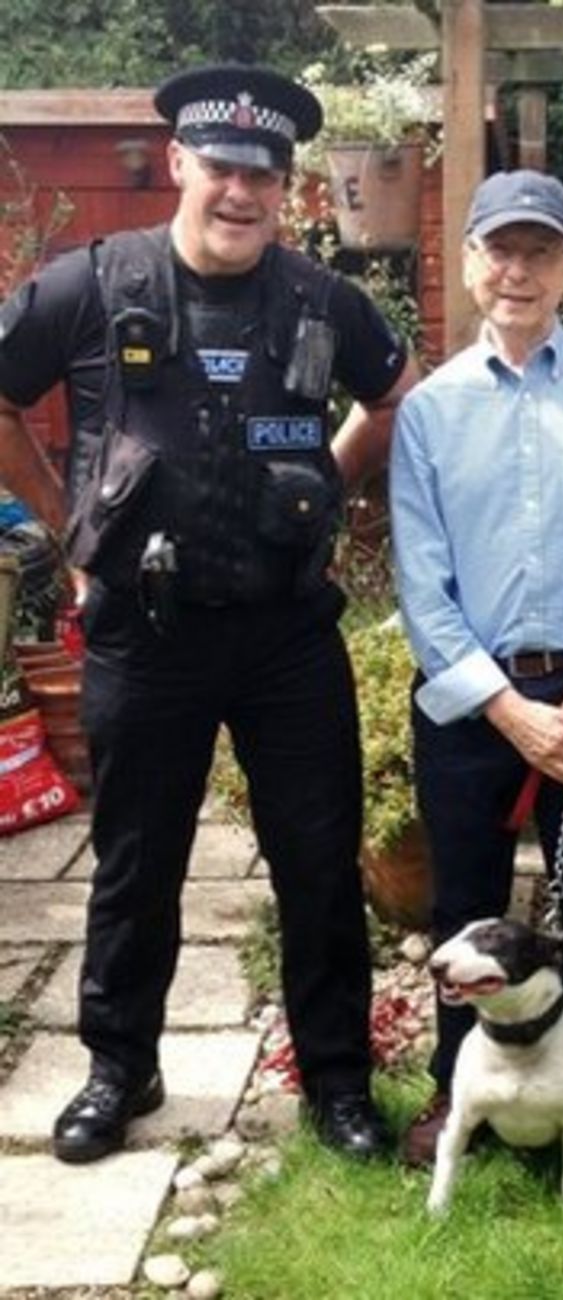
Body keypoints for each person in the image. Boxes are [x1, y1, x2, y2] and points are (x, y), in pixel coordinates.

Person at [0, 63, 419, 1163]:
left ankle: (337, 1082)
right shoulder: (91, 284)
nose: (241, 192)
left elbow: (394, 391)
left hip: (287, 634)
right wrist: (65, 527)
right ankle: (119, 1069)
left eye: (264, 175)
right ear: (180, 162)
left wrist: (330, 468)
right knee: (137, 863)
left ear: (288, 190)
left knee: (319, 862)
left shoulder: (323, 301)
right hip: (147, 634)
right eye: (223, 167)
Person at [390, 169, 563, 1167]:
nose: (518, 271)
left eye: (539, 251)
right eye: (499, 250)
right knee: (458, 903)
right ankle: (452, 1090)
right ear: (469, 263)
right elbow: (421, 583)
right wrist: (513, 712)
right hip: (472, 700)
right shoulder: (429, 410)